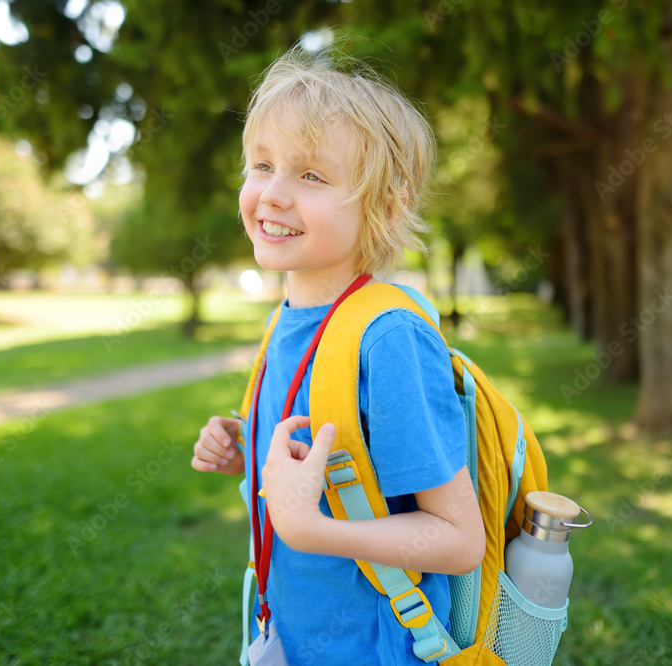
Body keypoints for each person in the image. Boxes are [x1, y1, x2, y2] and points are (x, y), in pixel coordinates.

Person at [190, 45, 485, 665]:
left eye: (311, 175)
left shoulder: (387, 337)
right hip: (289, 637)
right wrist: (248, 443)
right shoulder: (286, 321)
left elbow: (461, 541)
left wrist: (312, 529)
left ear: (385, 205)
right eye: (261, 164)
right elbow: (339, 444)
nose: (270, 193)